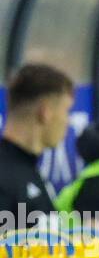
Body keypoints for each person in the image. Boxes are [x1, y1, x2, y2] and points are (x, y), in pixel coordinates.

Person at [0, 64, 72, 223]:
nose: (68, 121)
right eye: (66, 111)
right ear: (45, 112)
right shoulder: (7, 176)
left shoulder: (30, 171)